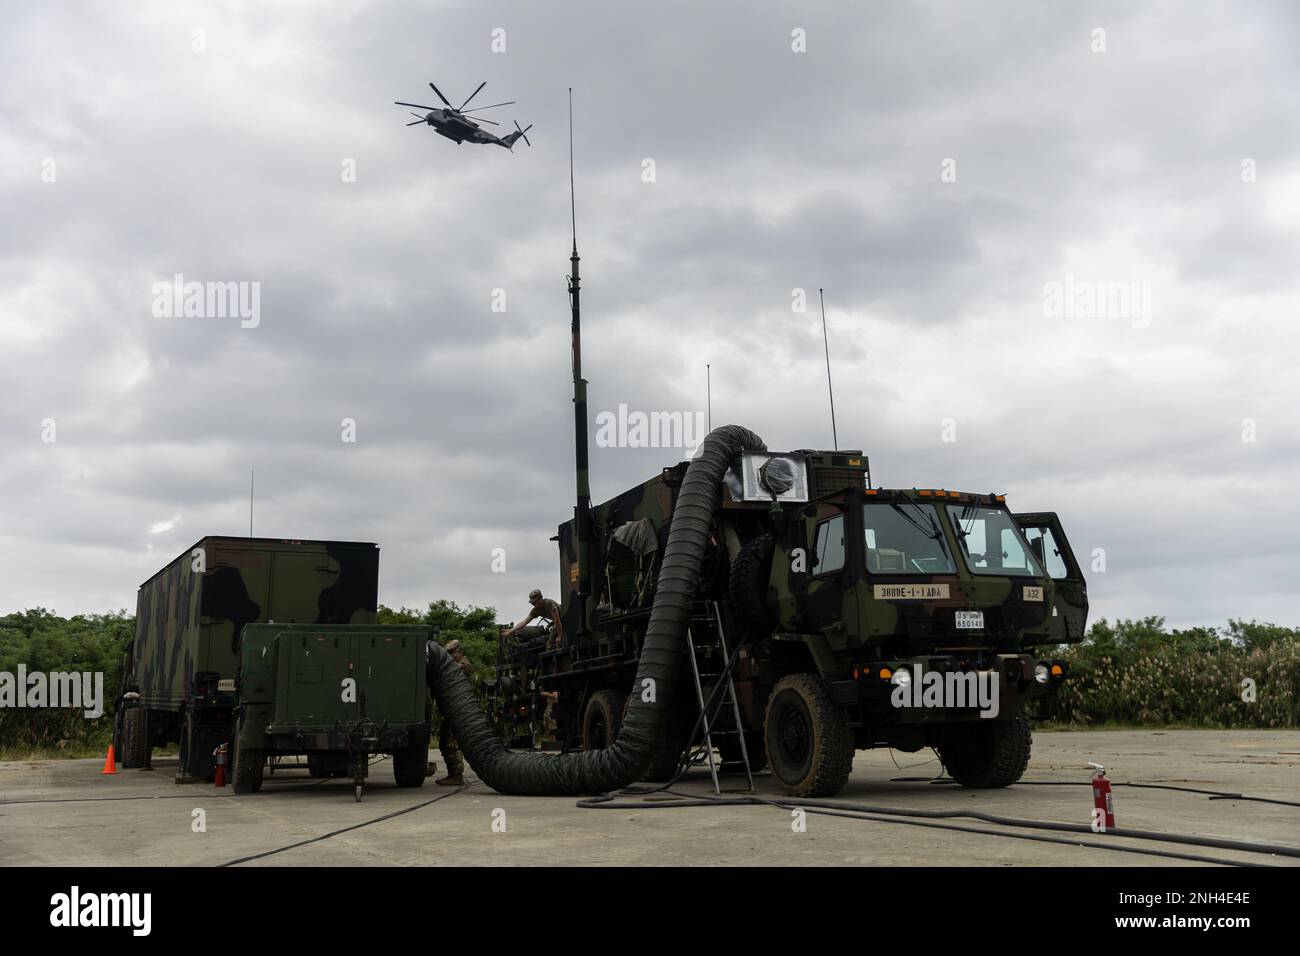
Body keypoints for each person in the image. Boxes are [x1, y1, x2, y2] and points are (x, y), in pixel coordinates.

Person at [436, 639, 475, 786]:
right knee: (445, 742)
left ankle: (456, 775)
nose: (451, 656)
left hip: (460, 712)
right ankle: (453, 773)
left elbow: (448, 668)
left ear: (460, 652)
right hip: (453, 710)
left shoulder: (464, 665)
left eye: (453, 653)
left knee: (450, 743)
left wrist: (443, 652)